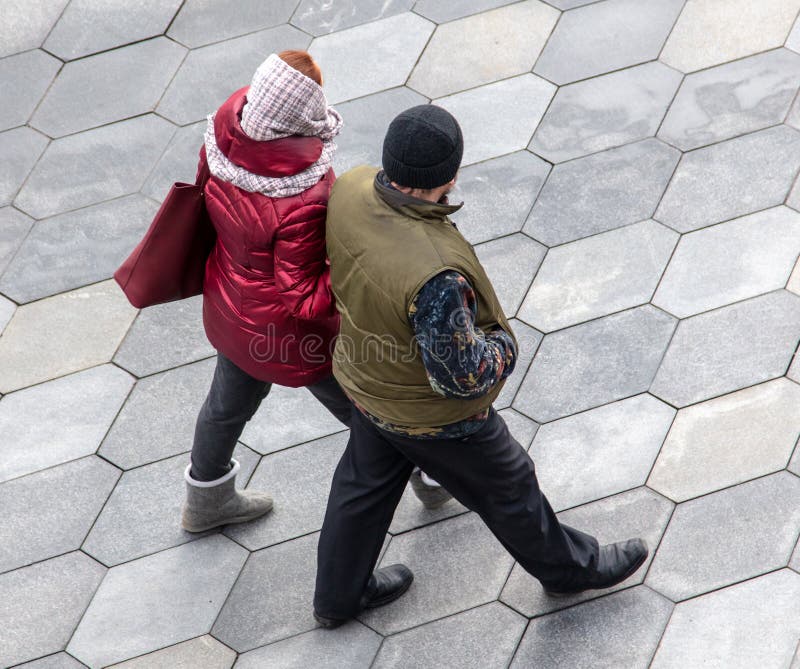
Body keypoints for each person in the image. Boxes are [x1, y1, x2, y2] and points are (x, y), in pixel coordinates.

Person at [312, 105, 649, 627]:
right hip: (432, 417)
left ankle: (336, 598)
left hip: (366, 380)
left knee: (360, 489)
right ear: (447, 178)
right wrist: (504, 347)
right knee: (510, 485)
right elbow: (459, 375)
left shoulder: (351, 188)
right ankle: (569, 571)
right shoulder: (432, 272)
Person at [181, 52, 444, 533]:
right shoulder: (300, 196)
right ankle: (435, 474)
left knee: (224, 408)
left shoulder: (223, 142)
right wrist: (360, 271)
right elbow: (303, 297)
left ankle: (206, 501)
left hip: (231, 309)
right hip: (291, 336)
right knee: (373, 408)